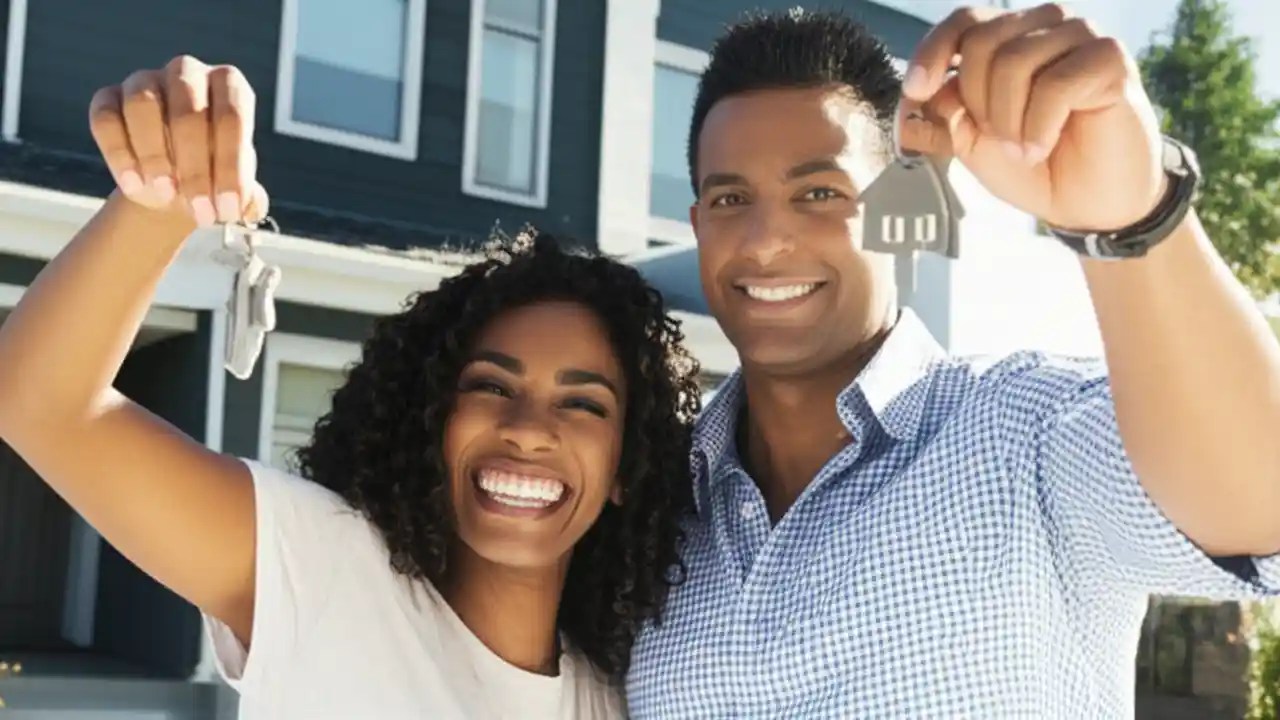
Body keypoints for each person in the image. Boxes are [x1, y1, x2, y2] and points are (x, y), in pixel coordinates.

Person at [625, 5, 1280, 718]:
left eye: (819, 193)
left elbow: (1262, 504)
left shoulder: (1023, 439)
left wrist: (1134, 219)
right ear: (699, 224)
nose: (764, 240)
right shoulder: (653, 506)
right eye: (730, 198)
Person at [0, 57, 702, 719]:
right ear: (433, 421)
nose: (528, 427)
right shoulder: (326, 570)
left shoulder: (613, 698)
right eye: (490, 386)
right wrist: (164, 193)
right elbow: (43, 404)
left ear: (624, 468)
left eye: (582, 403)